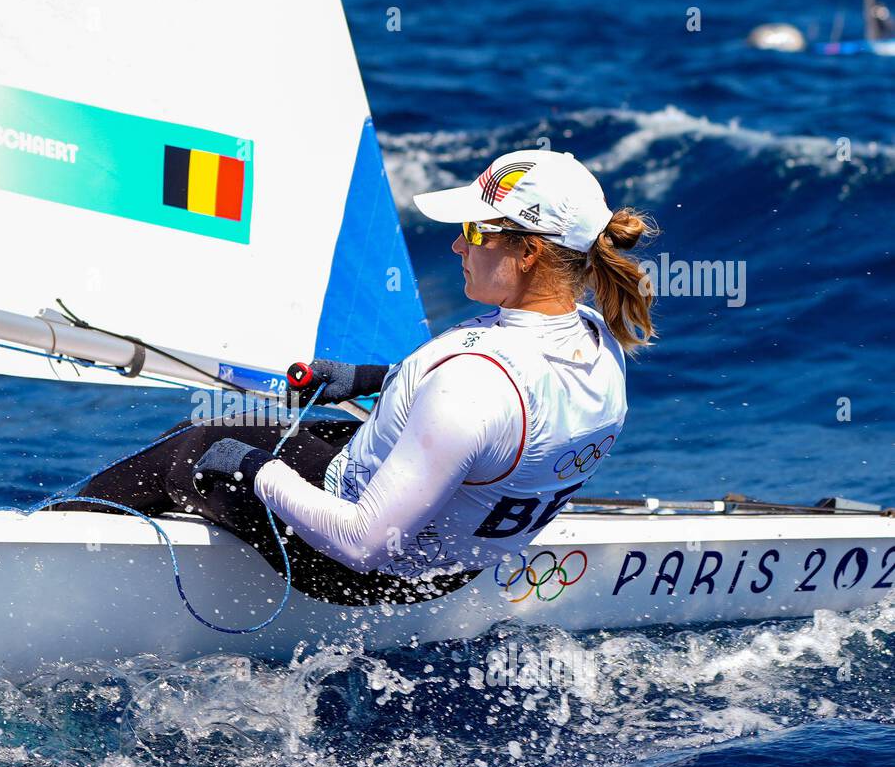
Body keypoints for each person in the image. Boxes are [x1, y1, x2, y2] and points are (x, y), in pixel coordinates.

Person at [55, 150, 656, 606]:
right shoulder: (596, 337)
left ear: (527, 252)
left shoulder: (471, 387)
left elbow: (364, 543)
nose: (456, 245)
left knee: (200, 441)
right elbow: (489, 417)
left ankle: (46, 543)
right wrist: (364, 378)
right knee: (253, 425)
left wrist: (252, 470)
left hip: (367, 568)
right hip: (459, 554)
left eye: (476, 231)